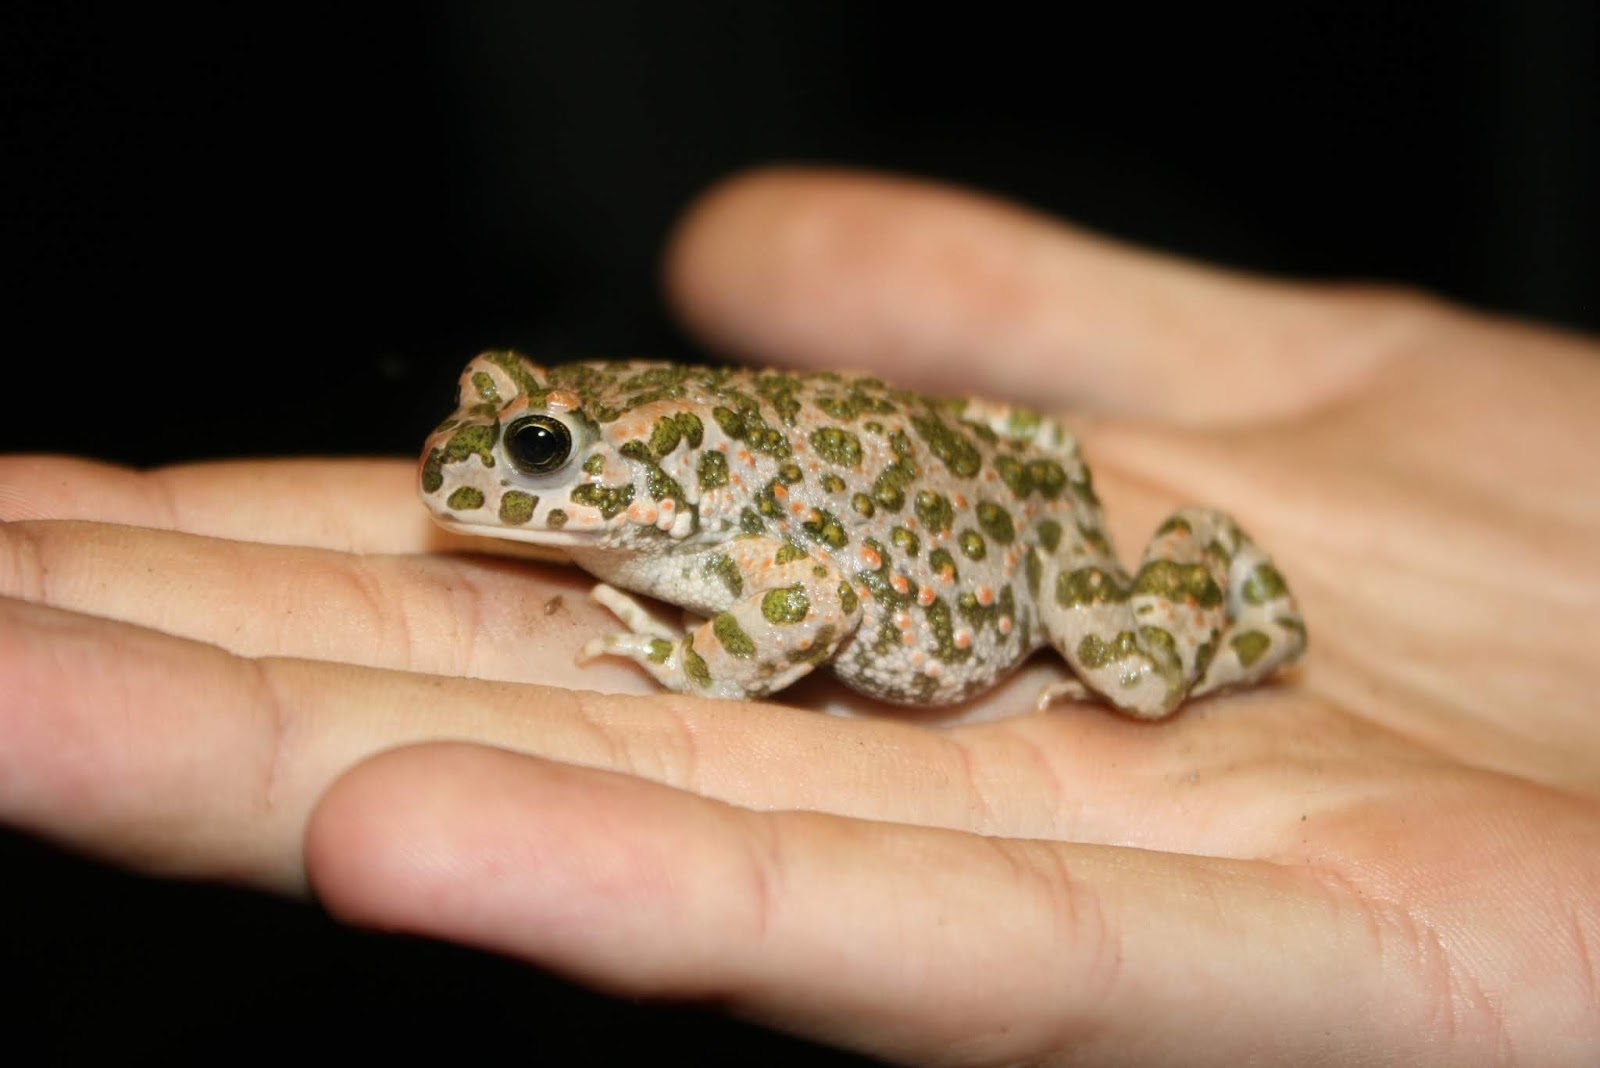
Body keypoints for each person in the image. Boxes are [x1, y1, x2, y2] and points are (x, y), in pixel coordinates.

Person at [2, 167, 1596, 1065]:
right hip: (936, 461)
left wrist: (694, 656)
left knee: (1128, 669)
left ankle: (1232, 597)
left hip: (1020, 561)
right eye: (501, 423)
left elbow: (818, 600)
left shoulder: (712, 526)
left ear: (628, 473)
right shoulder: (661, 497)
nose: (477, 463)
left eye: (535, 455)